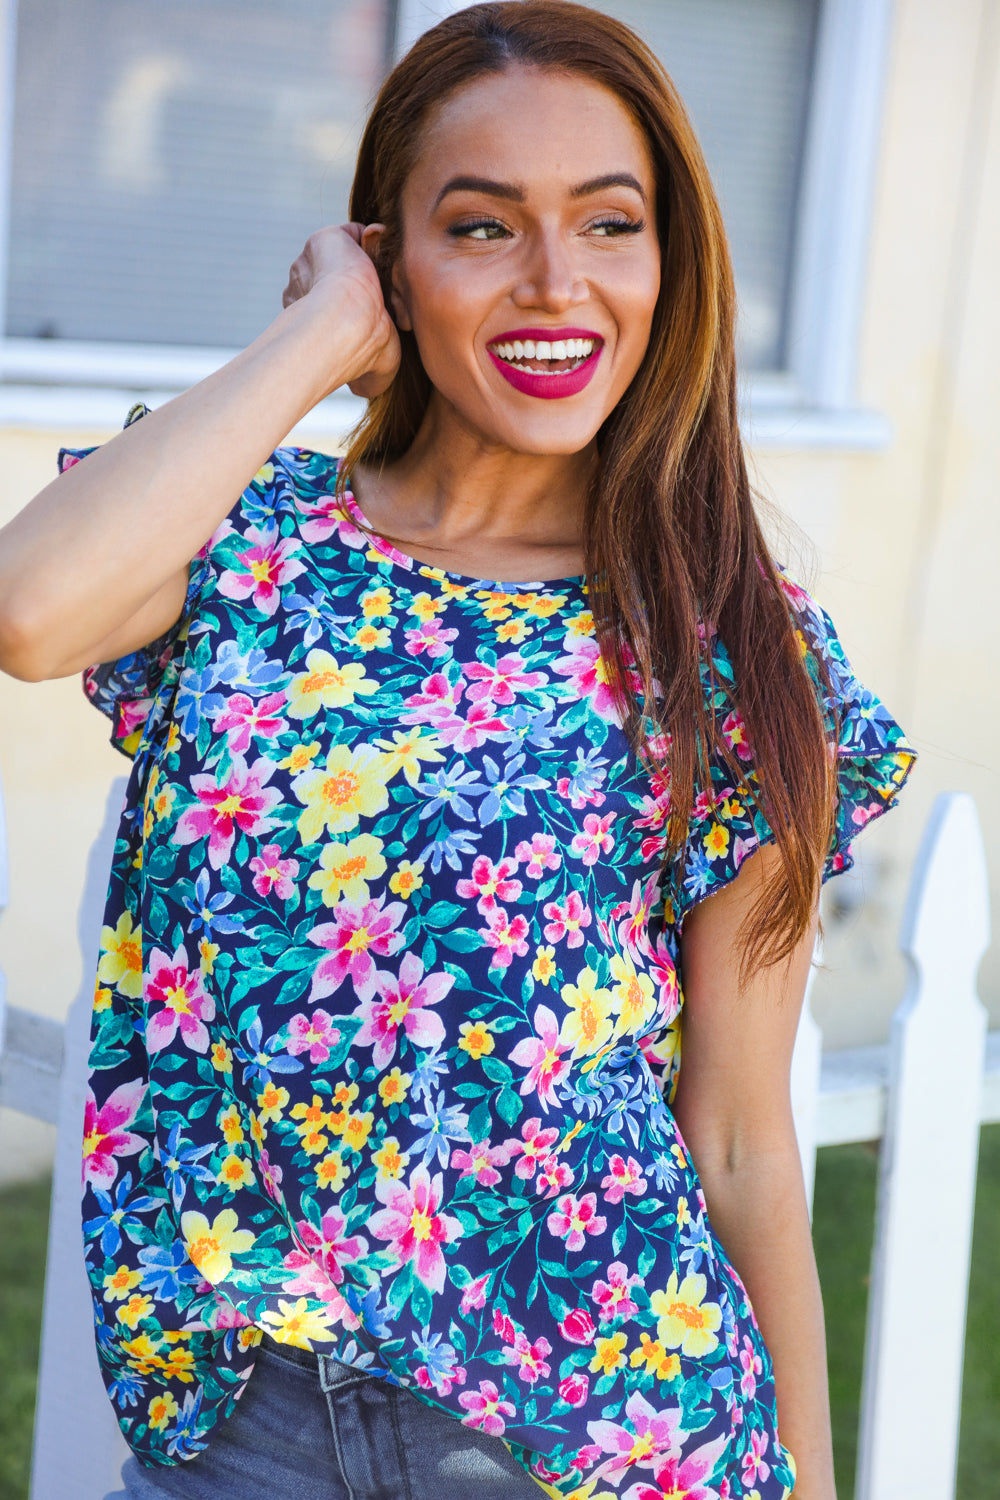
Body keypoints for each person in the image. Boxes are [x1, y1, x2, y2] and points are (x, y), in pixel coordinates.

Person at [0, 4, 915, 1497]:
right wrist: (313, 339)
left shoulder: (725, 637)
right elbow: (28, 611)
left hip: (597, 1433)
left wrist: (811, 1480)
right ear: (393, 264)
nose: (557, 282)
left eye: (609, 224)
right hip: (248, 1427)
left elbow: (745, 1137)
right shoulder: (252, 542)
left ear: (669, 265)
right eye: (482, 227)